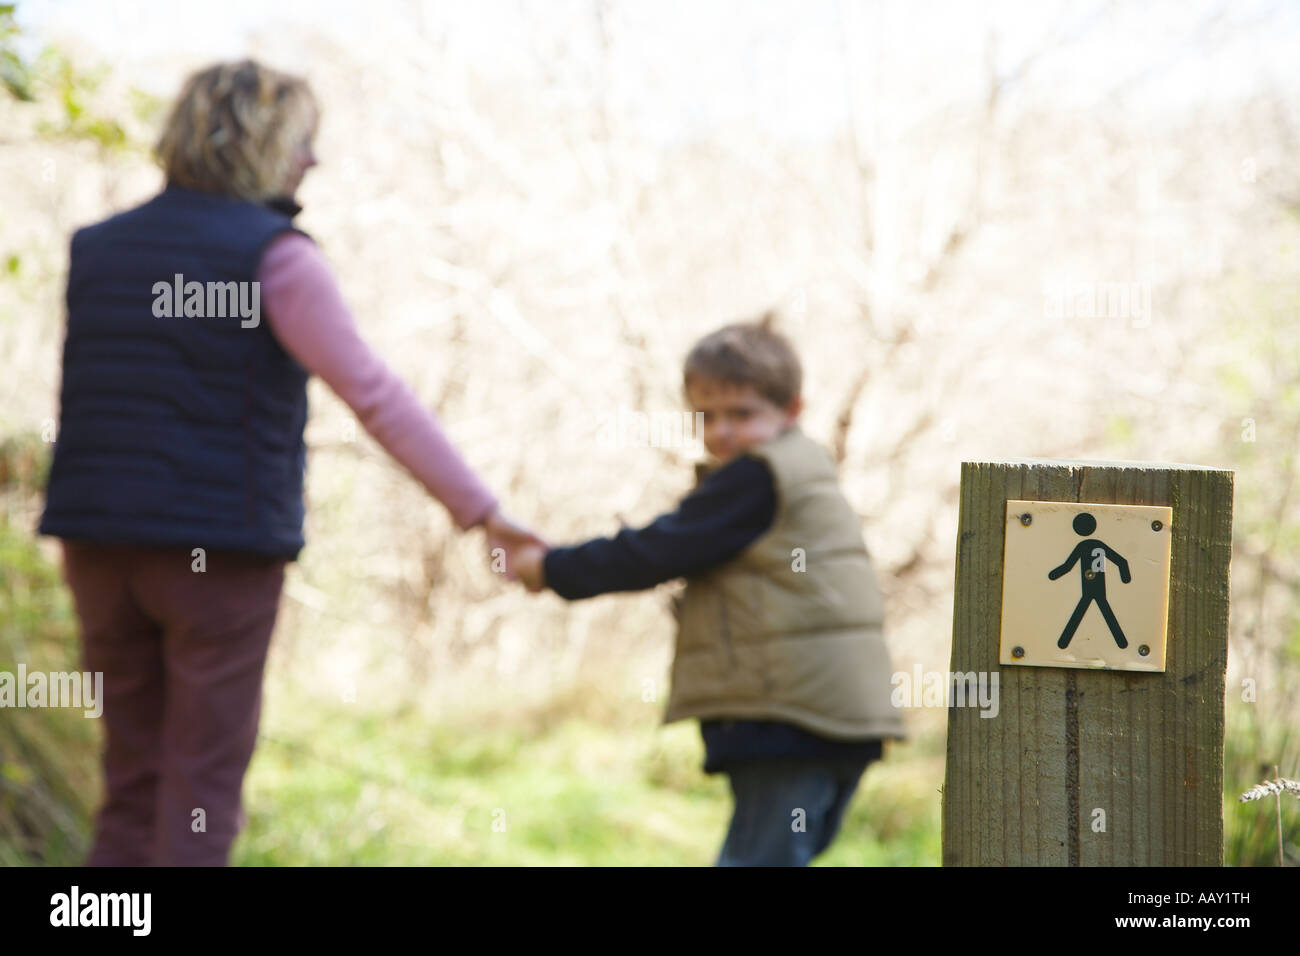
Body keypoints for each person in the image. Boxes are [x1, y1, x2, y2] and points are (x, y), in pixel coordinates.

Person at [37, 58, 543, 866]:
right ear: (261, 144)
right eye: (304, 141)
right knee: (199, 791)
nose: (314, 160)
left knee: (131, 779)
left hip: (96, 547)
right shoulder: (275, 257)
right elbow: (372, 394)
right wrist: (482, 511)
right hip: (218, 558)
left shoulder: (99, 248)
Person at [508, 316, 906, 865]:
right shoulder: (805, 470)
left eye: (741, 414)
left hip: (789, 717)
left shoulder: (758, 477)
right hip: (838, 718)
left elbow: (656, 550)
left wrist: (551, 568)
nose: (721, 431)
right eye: (706, 416)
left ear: (790, 410)